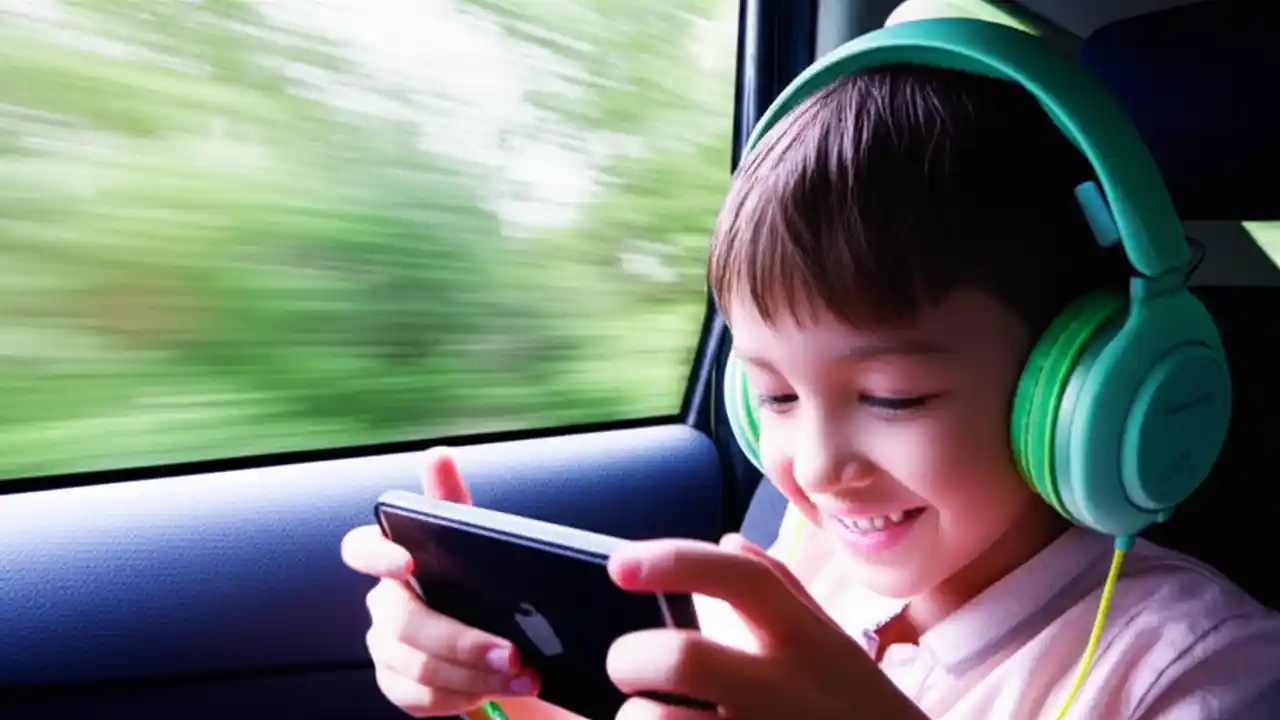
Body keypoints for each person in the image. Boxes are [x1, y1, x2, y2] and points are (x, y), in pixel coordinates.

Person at [340, 16, 1280, 720]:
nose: (819, 469)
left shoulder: (1196, 668)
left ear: (1079, 394)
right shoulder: (807, 564)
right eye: (775, 395)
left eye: (892, 397)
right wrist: (496, 689)